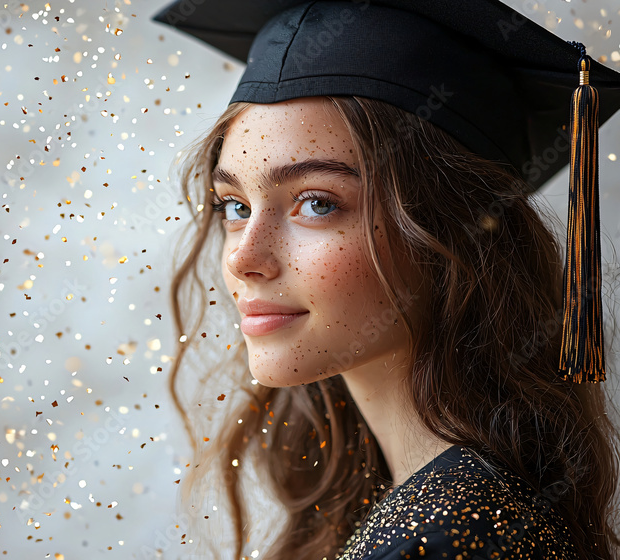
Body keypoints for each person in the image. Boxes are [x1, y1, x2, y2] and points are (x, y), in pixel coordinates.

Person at [154, 1, 620, 558]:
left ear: (454, 232)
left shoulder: (450, 538)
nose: (243, 258)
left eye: (317, 203)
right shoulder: (427, 509)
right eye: (234, 206)